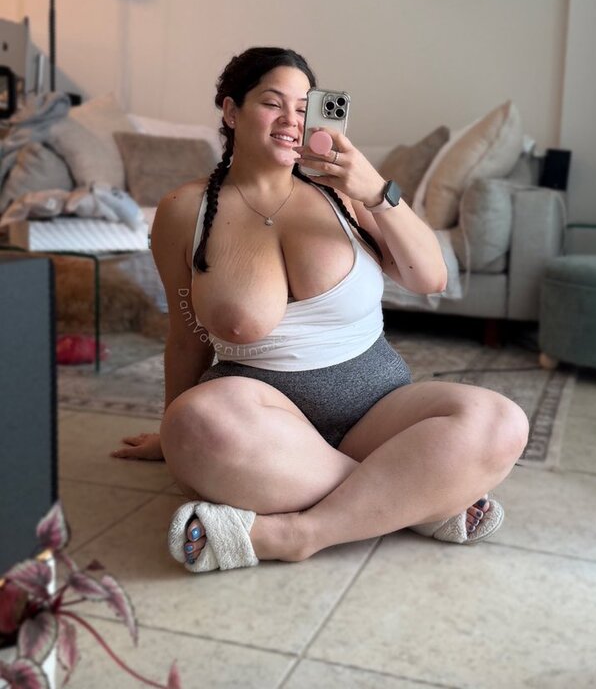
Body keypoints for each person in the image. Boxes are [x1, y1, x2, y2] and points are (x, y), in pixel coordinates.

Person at [112, 47, 529, 572]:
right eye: (272, 103)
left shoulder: (345, 195)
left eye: (304, 107)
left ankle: (297, 533)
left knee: (500, 422)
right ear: (231, 111)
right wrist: (169, 436)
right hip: (262, 429)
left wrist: (376, 191)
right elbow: (186, 335)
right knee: (192, 424)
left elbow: (432, 278)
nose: (291, 120)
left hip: (378, 413)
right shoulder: (184, 211)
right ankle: (418, 497)